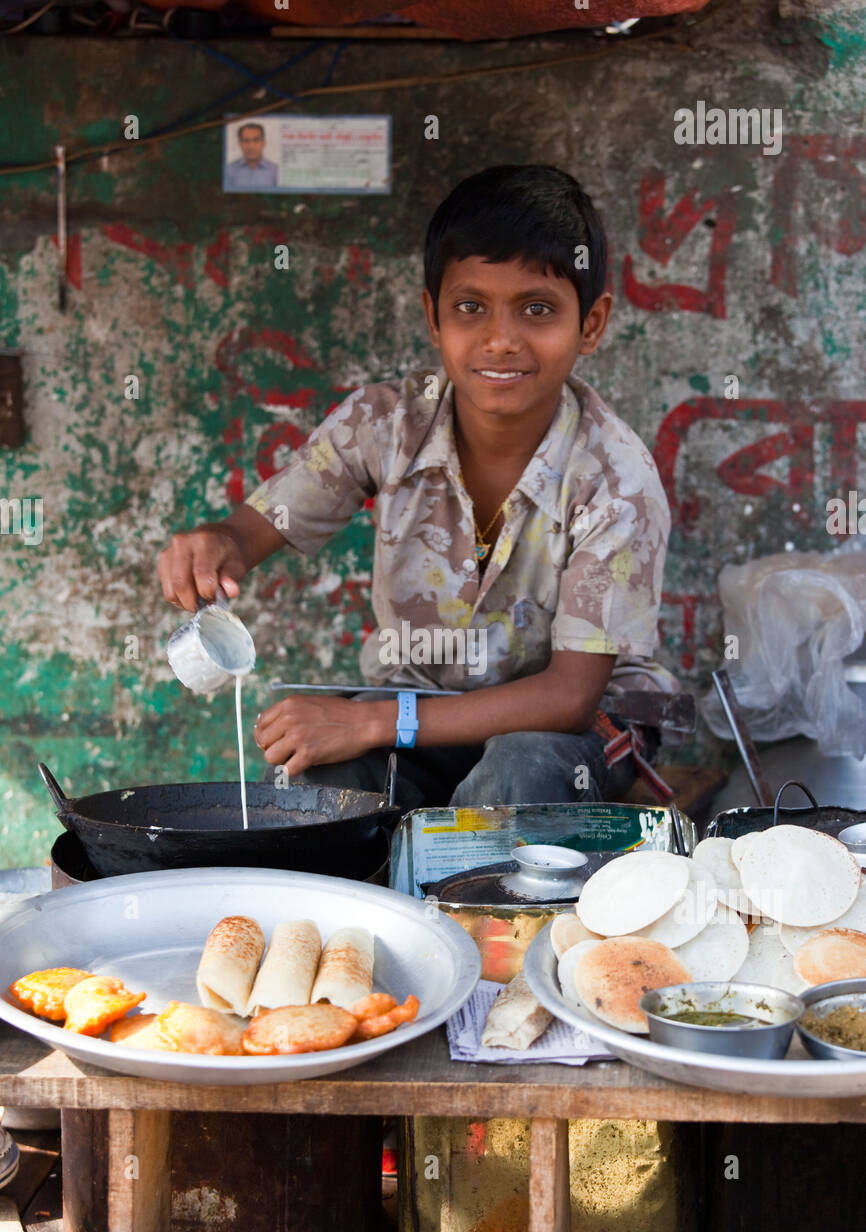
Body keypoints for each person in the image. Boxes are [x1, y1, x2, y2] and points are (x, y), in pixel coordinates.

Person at [159, 164, 678, 809]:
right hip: (420, 702)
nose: (500, 339)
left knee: (519, 774)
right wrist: (218, 546)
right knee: (317, 786)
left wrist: (373, 722)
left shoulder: (616, 480)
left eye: (538, 309)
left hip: (574, 728)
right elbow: (250, 533)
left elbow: (570, 697)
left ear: (591, 324)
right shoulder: (386, 424)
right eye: (470, 307)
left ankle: (473, 881)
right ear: (434, 317)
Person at [224, 122, 278, 191]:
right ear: (240, 143)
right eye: (246, 141)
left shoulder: (275, 170)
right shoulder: (229, 170)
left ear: (264, 143)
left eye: (256, 140)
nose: (251, 146)